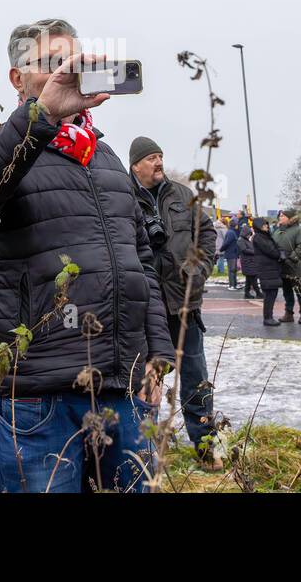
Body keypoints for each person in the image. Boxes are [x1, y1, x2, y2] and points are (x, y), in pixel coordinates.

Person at [0, 18, 172, 493]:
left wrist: (155, 355)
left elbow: (141, 265)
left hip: (121, 387)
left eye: (72, 61)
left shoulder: (107, 158)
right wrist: (41, 117)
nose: (66, 72)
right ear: (17, 78)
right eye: (52, 62)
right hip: (39, 393)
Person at [129, 136, 219, 465]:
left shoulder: (182, 195)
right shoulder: (124, 198)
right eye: (151, 157)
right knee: (148, 381)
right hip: (147, 309)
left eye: (160, 156)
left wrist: (201, 266)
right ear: (135, 165)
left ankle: (206, 447)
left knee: (197, 380)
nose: (158, 162)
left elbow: (206, 231)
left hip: (185, 305)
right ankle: (146, 451)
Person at [271, 209, 301, 323]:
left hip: (294, 267)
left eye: (283, 216)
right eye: (280, 216)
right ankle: (289, 313)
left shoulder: (297, 230)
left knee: (299, 291)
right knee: (286, 292)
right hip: (282, 266)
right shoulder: (277, 231)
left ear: (289, 217)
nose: (280, 218)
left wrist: (292, 258)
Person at [218, 216, 241, 289]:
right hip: (232, 253)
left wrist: (221, 249)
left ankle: (233, 285)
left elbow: (226, 243)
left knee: (232, 270)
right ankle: (233, 285)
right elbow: (228, 243)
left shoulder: (230, 232)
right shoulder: (232, 232)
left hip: (231, 253)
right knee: (232, 270)